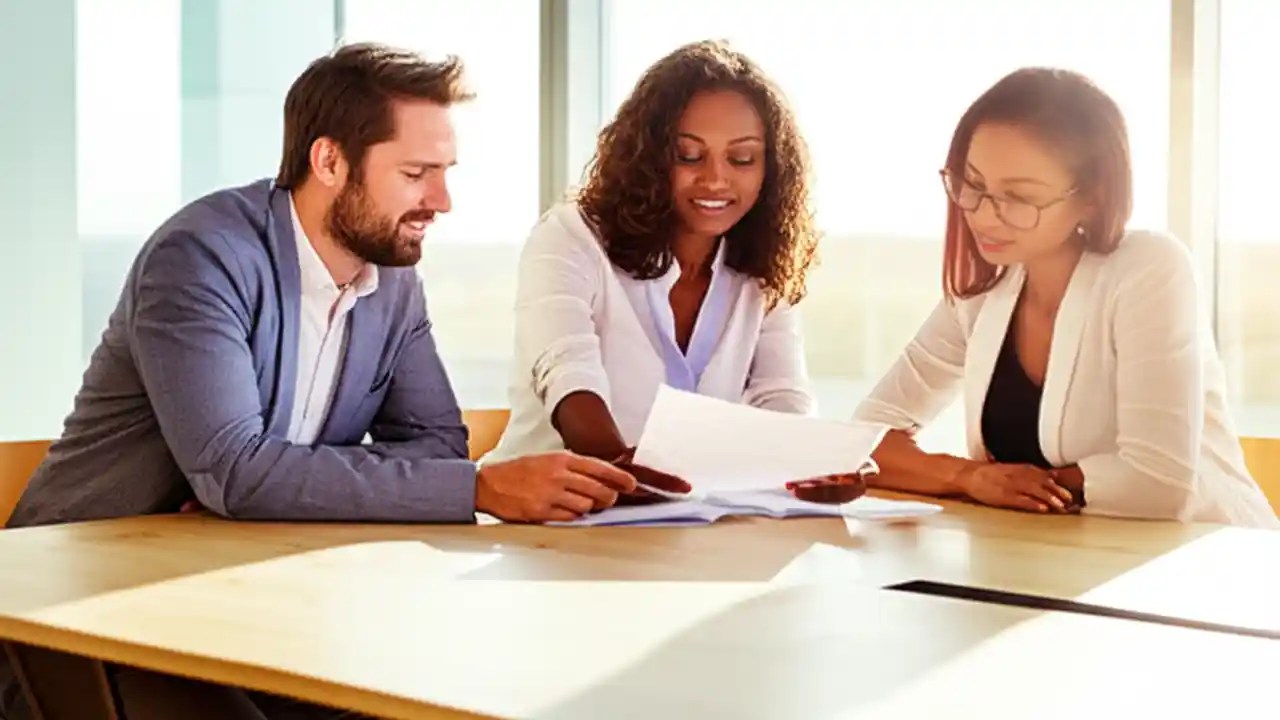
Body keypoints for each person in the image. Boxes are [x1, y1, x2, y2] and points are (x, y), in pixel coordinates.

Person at [1, 43, 638, 720]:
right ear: (329, 161)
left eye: (446, 172)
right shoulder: (202, 258)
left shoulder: (391, 281)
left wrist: (267, 487)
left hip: (240, 602)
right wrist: (477, 489)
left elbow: (435, 445)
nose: (443, 200)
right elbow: (236, 470)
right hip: (77, 614)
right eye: (417, 173)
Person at [853, 67, 1277, 527]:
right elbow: (863, 439)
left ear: (1092, 197)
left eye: (1019, 196)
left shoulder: (1149, 268)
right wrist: (970, 478)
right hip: (1053, 559)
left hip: (1202, 562)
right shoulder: (983, 294)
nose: (985, 217)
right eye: (973, 186)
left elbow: (1159, 483)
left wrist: (1013, 485)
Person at [483, 40, 861, 501]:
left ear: (770, 168)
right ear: (648, 156)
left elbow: (780, 398)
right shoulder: (569, 237)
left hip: (687, 522)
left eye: (741, 159)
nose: (716, 179)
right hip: (550, 519)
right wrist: (618, 464)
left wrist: (813, 463)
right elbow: (567, 373)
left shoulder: (762, 266)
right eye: (688, 155)